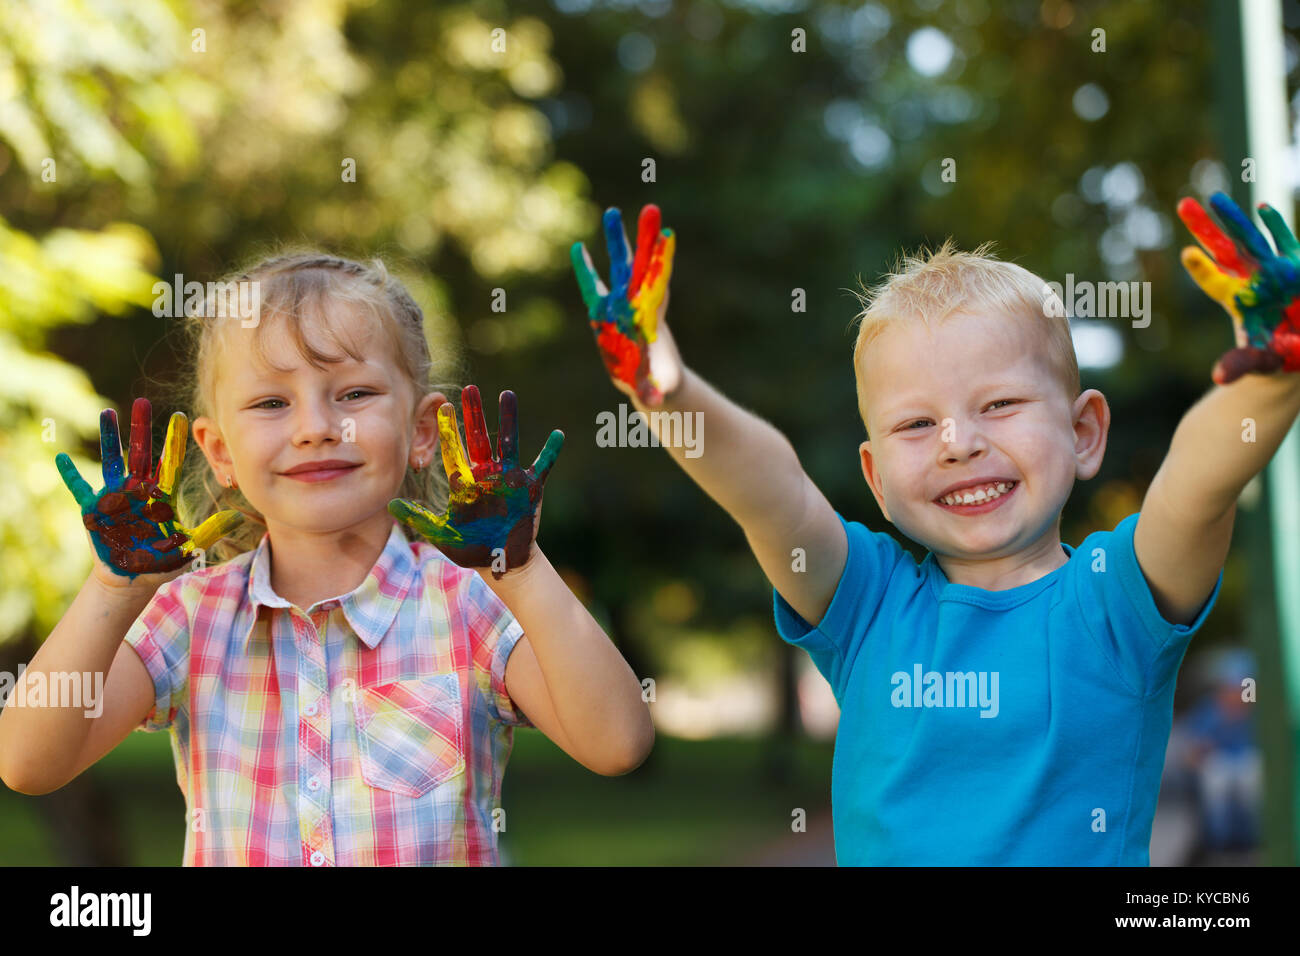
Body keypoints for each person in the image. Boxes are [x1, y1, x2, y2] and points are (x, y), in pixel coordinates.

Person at [570, 198, 1300, 865]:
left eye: (1000, 403)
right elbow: (773, 495)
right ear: (877, 478)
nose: (957, 441)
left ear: (1084, 433)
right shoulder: (867, 604)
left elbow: (1196, 490)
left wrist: (1269, 381)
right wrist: (666, 392)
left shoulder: (1116, 602)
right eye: (917, 424)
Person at [0, 252, 653, 865]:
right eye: (271, 403)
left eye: (355, 394)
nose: (316, 426)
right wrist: (114, 589)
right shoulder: (186, 616)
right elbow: (28, 762)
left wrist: (524, 569)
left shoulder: (471, 602)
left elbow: (618, 744)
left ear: (423, 430)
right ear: (220, 451)